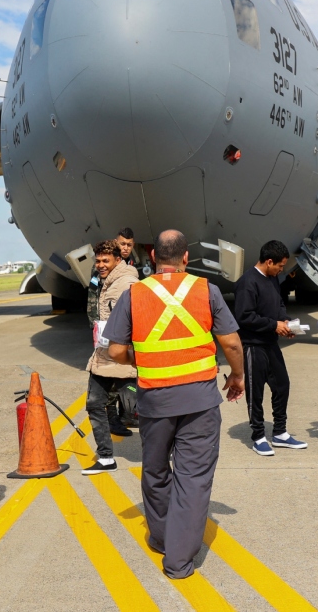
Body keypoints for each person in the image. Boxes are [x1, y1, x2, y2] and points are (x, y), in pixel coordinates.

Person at [105, 230, 245, 580]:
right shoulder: (206, 289)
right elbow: (231, 343)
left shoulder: (135, 293)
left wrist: (147, 361)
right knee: (193, 477)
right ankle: (179, 561)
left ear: (153, 257)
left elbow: (115, 351)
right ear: (186, 258)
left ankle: (162, 537)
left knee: (154, 470)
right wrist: (237, 376)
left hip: (154, 400)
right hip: (199, 400)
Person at [234, 240, 306, 456]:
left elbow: (279, 304)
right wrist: (274, 325)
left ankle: (280, 433)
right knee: (255, 393)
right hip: (253, 346)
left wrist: (286, 322)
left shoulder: (273, 278)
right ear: (268, 261)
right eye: (280, 265)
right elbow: (244, 317)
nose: (281, 270)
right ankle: (258, 436)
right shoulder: (247, 282)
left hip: (271, 343)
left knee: (282, 385)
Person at [83, 240, 139, 475]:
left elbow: (133, 322)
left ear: (118, 260)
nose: (100, 265)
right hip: (104, 358)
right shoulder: (104, 282)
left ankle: (163, 454)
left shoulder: (126, 284)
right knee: (94, 404)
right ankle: (106, 458)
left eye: (106, 260)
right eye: (97, 261)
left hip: (124, 360)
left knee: (140, 410)